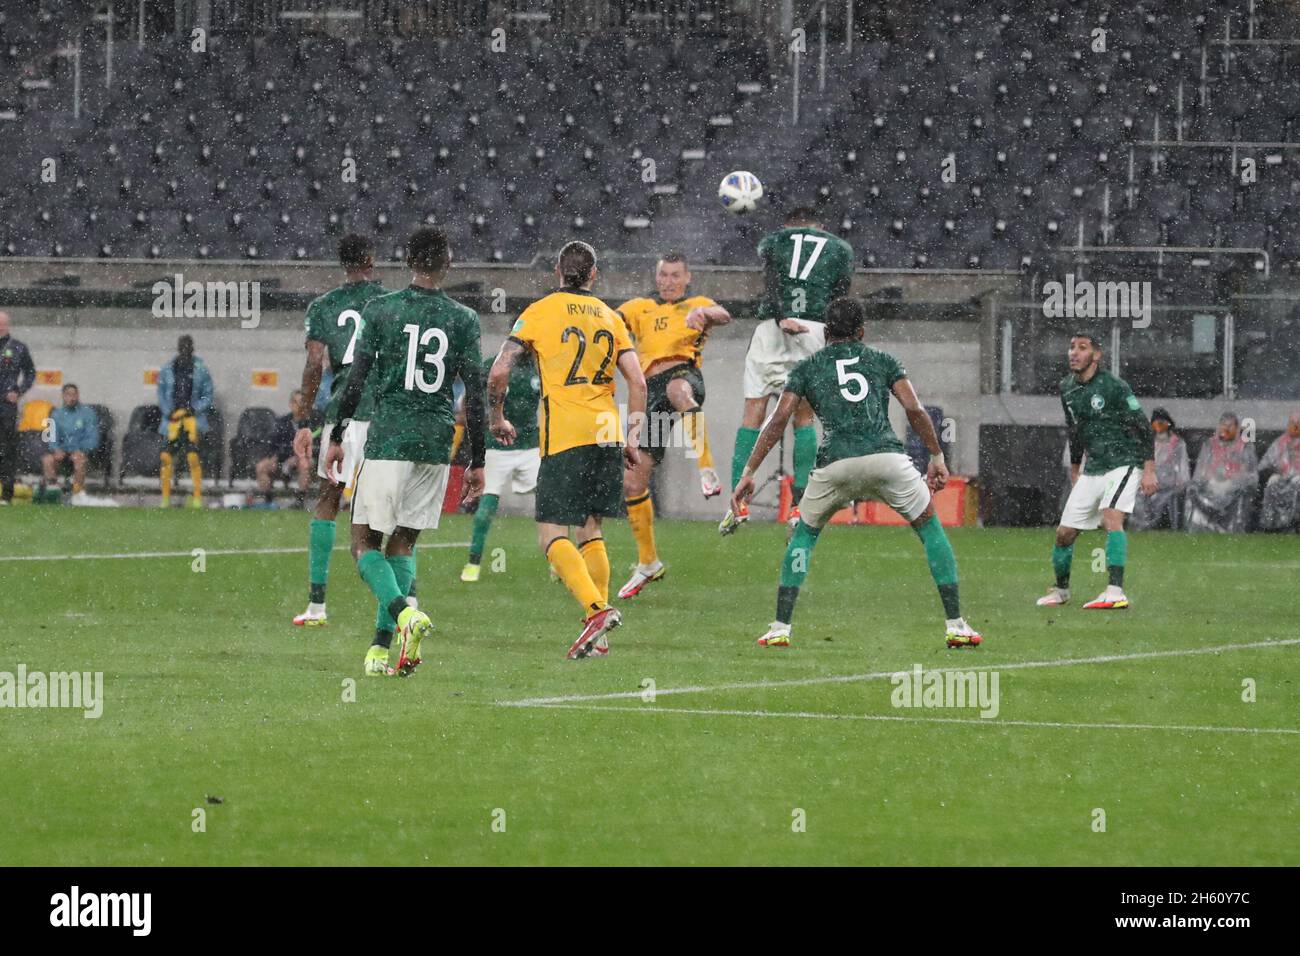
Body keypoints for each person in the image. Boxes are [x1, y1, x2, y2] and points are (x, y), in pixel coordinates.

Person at [731, 298, 981, 649]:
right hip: (886, 459)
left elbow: (777, 421)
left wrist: (749, 470)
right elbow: (915, 410)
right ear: (862, 331)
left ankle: (779, 627)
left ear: (827, 332)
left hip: (836, 464)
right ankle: (956, 623)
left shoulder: (808, 367)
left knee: (804, 536)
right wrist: (937, 456)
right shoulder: (882, 360)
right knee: (929, 528)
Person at [324, 226, 485, 677]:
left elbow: (355, 381)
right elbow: (475, 394)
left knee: (361, 544)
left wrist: (337, 433)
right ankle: (379, 650)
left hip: (390, 434)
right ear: (447, 262)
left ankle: (403, 614)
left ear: (407, 261)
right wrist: (479, 458)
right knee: (403, 544)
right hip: (434, 441)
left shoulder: (381, 310)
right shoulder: (464, 319)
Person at [487, 240, 647, 660]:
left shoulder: (539, 312)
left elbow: (500, 369)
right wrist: (631, 437)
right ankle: (602, 636)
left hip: (566, 433)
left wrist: (497, 417)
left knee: (550, 535)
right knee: (591, 529)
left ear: (558, 270)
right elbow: (639, 383)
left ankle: (596, 611)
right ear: (594, 275)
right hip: (606, 430)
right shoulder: (612, 318)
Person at [289, 234, 400, 627]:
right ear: (372, 259)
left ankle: (317, 606)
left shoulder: (324, 306)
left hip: (344, 416)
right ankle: (407, 600)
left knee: (327, 502)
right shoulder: (392, 302)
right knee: (393, 515)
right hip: (386, 415)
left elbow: (313, 366)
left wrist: (304, 422)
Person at [721, 207, 854, 534]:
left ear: (787, 225)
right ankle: (799, 508)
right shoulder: (838, 247)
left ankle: (738, 504)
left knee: (753, 413)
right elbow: (840, 299)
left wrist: (781, 316)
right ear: (820, 226)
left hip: (773, 329)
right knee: (803, 418)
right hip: (814, 329)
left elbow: (769, 282)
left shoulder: (775, 241)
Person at [615, 252, 731, 598]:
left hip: (683, 374)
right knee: (633, 482)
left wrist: (705, 314)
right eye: (663, 275)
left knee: (679, 390)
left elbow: (724, 314)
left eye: (675, 275)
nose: (668, 281)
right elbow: (609, 320)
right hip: (648, 394)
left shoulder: (696, 304)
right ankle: (648, 562)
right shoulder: (639, 307)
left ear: (688, 277)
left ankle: (707, 470)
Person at [1036, 332, 1157, 610]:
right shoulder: (1066, 387)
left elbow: (1143, 426)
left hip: (1125, 461)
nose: (1073, 353)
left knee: (1112, 517)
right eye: (1071, 347)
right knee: (1064, 533)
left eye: (1082, 347)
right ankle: (1061, 591)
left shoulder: (1114, 386)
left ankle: (1115, 592)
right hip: (1095, 467)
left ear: (1097, 355)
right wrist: (1076, 466)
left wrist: (1149, 469)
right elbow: (1075, 429)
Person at [460, 351, 541, 582]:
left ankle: (558, 563)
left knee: (549, 501)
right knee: (486, 508)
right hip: (497, 444)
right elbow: (472, 393)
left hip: (530, 445)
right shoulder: (494, 364)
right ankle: (473, 563)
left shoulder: (540, 367)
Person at [158, 334, 214, 509]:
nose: (185, 349)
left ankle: (197, 497)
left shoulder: (201, 369)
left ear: (193, 348)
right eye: (182, 346)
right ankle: (165, 498)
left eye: (188, 346)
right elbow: (161, 393)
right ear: (177, 348)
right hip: (173, 420)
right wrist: (169, 411)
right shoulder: (168, 369)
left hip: (193, 420)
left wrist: (195, 408)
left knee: (192, 457)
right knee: (166, 457)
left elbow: (208, 394)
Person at [1186, 411, 1259, 534]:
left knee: (1239, 493)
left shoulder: (1245, 447)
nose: (1226, 428)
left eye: (1230, 426)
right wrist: (1207, 477)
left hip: (1233, 487)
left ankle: (1231, 528)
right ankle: (1199, 526)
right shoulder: (1209, 445)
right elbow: (1199, 472)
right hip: (1211, 486)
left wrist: (1234, 478)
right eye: (1224, 425)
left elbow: (1252, 477)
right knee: (1193, 491)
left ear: (1237, 428)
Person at [1129, 407, 1190, 531]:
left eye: (1162, 423)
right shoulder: (1147, 442)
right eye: (1156, 423)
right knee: (1138, 497)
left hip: (1169, 486)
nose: (1159, 426)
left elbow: (1183, 470)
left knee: (1162, 499)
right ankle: (1140, 527)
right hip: (1148, 483)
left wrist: (1179, 483)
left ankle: (1160, 527)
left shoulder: (1178, 444)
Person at [0, 311, 37, 505]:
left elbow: (30, 373)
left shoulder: (18, 348)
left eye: (2, 324)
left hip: (6, 407)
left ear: (7, 326)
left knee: (6, 450)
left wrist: (19, 391)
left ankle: (6, 494)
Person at [40, 383, 99, 504]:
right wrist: (56, 449)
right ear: (63, 396)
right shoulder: (56, 414)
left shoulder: (88, 414)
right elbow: (51, 436)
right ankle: (53, 492)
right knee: (47, 460)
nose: (71, 398)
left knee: (79, 459)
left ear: (78, 395)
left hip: (80, 452)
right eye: (68, 395)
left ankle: (77, 494)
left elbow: (93, 438)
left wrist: (79, 449)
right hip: (62, 452)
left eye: (74, 395)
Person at [255, 390, 311, 509]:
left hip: (304, 458)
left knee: (304, 465)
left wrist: (297, 456)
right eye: (296, 402)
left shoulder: (311, 422)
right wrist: (274, 457)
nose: (299, 406)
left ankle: (300, 501)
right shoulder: (282, 422)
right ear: (291, 404)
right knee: (261, 467)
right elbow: (274, 443)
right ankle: (268, 500)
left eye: (302, 403)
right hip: (283, 458)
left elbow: (314, 446)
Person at [1258, 412, 1300, 532]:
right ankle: (1271, 525)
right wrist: (1272, 474)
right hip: (1282, 480)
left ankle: (1294, 524)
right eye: (1293, 423)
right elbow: (1264, 465)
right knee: (1272, 486)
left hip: (1298, 482)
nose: (1296, 426)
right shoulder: (1279, 443)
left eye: (1298, 423)